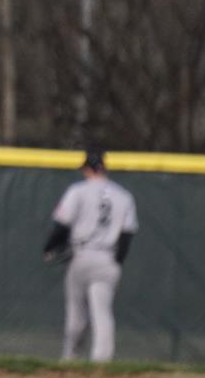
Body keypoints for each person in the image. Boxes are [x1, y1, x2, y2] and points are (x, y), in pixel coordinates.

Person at [44, 149, 138, 363]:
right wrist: (116, 261)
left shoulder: (78, 191)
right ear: (104, 168)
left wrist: (49, 247)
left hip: (82, 255)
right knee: (102, 311)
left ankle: (71, 358)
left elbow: (62, 225)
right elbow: (127, 235)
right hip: (108, 258)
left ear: (87, 169)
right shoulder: (124, 195)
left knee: (76, 313)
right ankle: (102, 361)